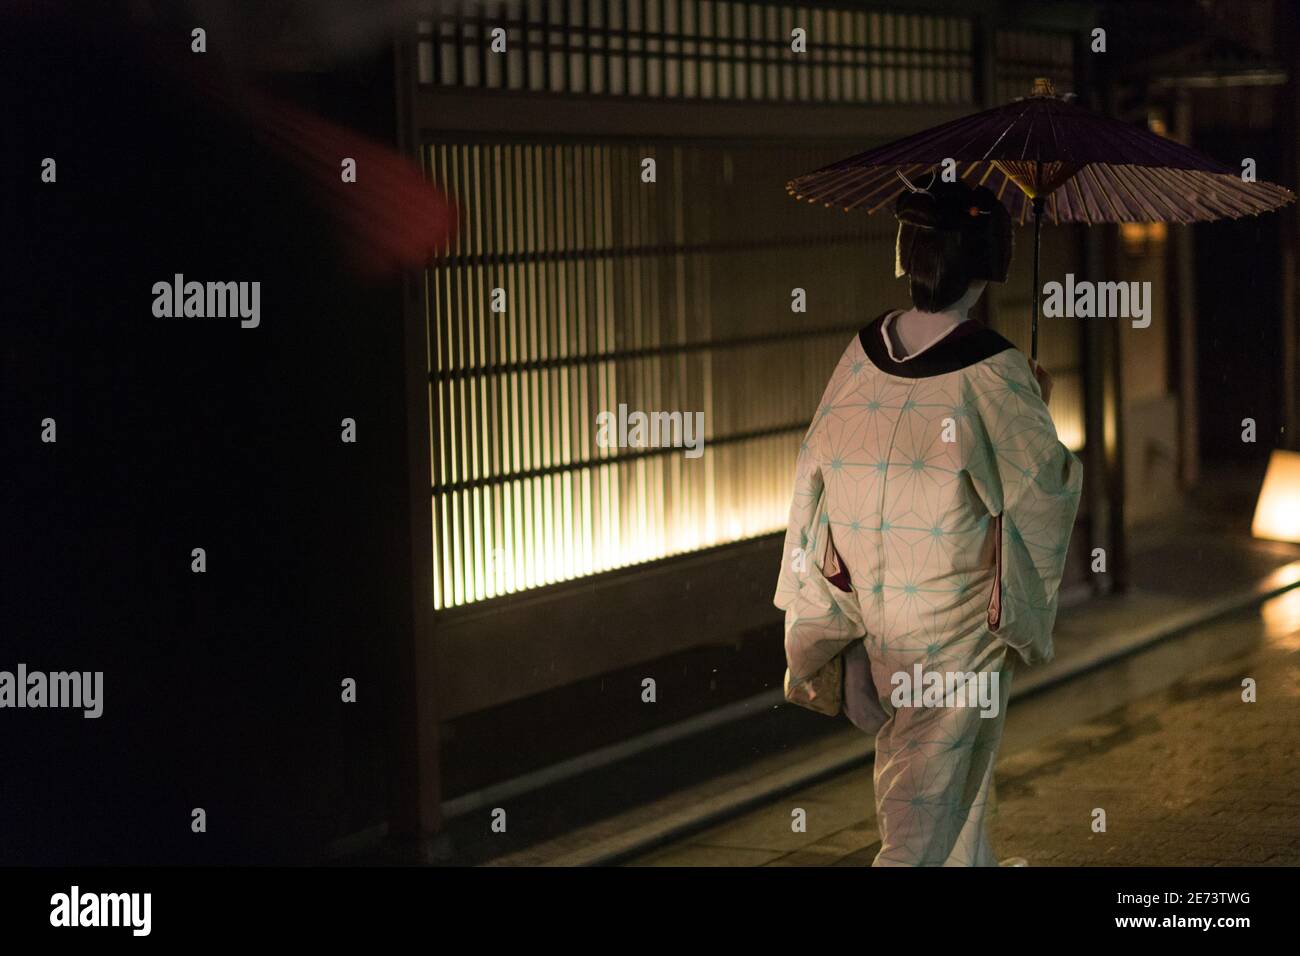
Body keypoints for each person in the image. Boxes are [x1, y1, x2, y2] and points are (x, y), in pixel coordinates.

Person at [775, 178, 1083, 866]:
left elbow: (814, 478)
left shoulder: (861, 354)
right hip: (956, 630)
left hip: (877, 619)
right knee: (921, 820)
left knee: (954, 796)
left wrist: (834, 621)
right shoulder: (992, 371)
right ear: (986, 264)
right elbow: (1047, 486)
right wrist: (1036, 402)